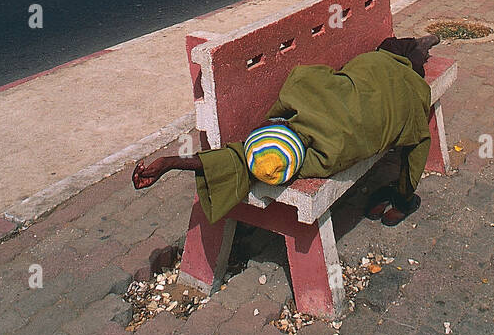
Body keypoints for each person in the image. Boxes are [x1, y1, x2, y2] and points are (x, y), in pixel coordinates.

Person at [132, 35, 439, 227]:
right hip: (383, 69)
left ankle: (419, 46)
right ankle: (420, 47)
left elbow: (237, 159)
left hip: (385, 80)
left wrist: (172, 163)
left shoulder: (313, 160)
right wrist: (404, 195)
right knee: (398, 50)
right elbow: (420, 140)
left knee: (399, 53)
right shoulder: (300, 95)